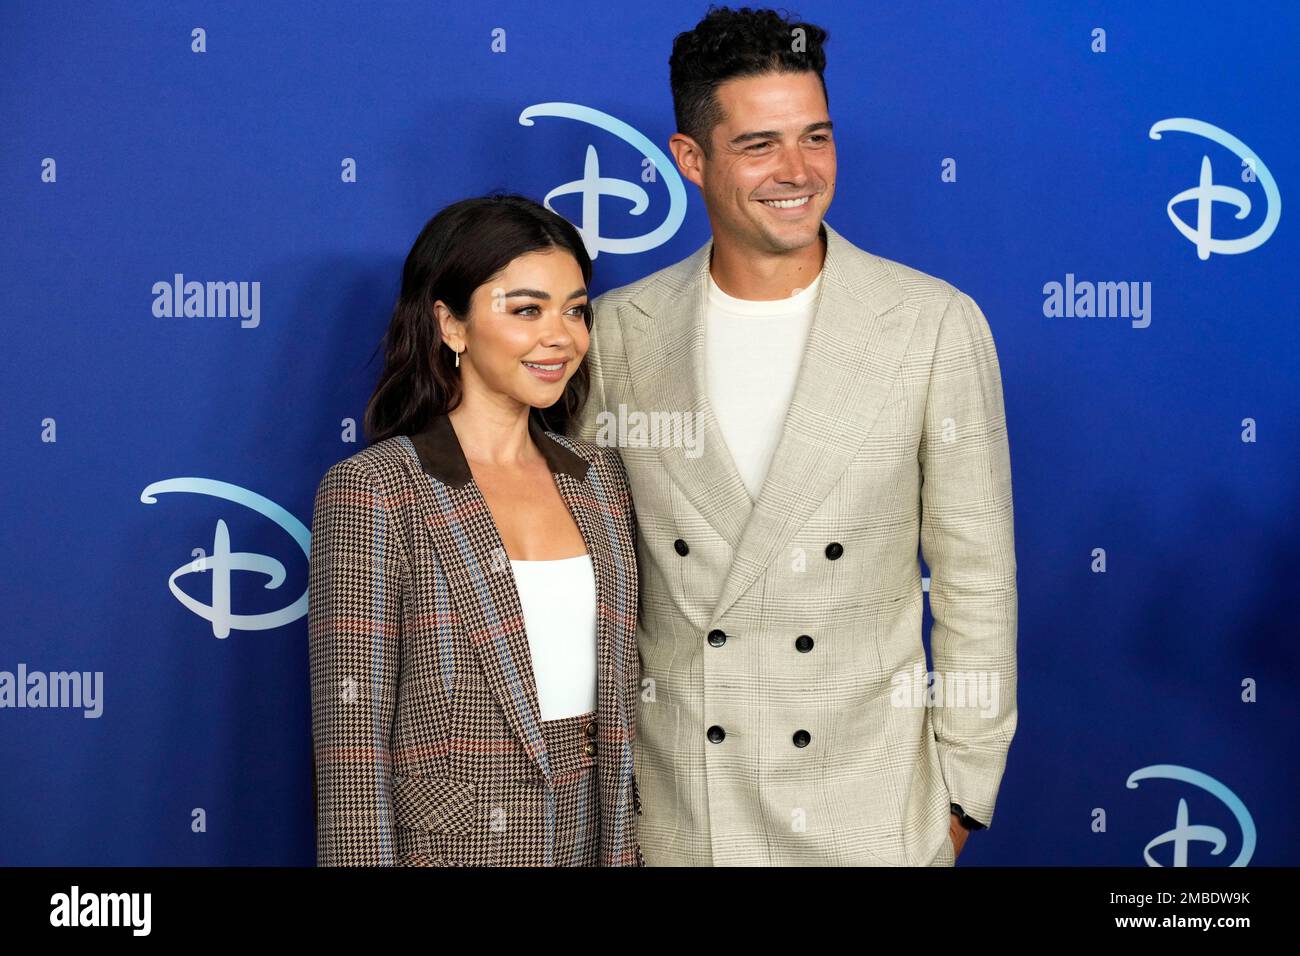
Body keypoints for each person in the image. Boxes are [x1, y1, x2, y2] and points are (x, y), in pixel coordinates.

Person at [572, 6, 1018, 866]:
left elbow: (976, 578)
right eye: (759, 145)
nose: (797, 172)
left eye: (816, 138)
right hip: (683, 812)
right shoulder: (617, 333)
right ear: (691, 160)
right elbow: (596, 578)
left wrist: (962, 795)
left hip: (872, 811)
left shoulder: (931, 324)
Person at [310, 193, 642, 866]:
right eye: (526, 309)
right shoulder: (374, 490)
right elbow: (353, 750)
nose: (562, 336)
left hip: (594, 839)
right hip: (454, 850)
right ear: (451, 324)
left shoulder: (599, 477)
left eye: (575, 309)